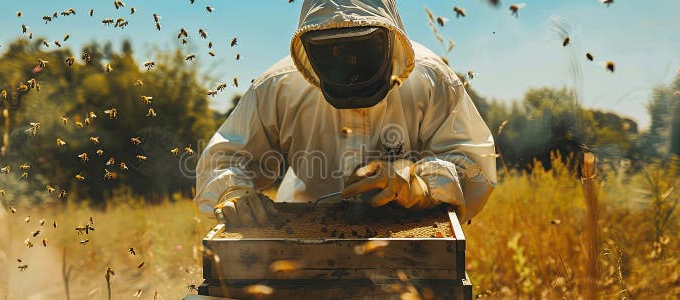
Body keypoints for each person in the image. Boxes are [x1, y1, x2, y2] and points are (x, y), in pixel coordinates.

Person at [195, 0, 497, 227]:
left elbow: (471, 164)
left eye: (360, 54)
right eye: (337, 55)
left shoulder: (432, 79)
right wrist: (232, 192)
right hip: (303, 227)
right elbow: (223, 158)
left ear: (389, 40)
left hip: (405, 229)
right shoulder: (280, 86)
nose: (351, 71)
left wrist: (420, 184)